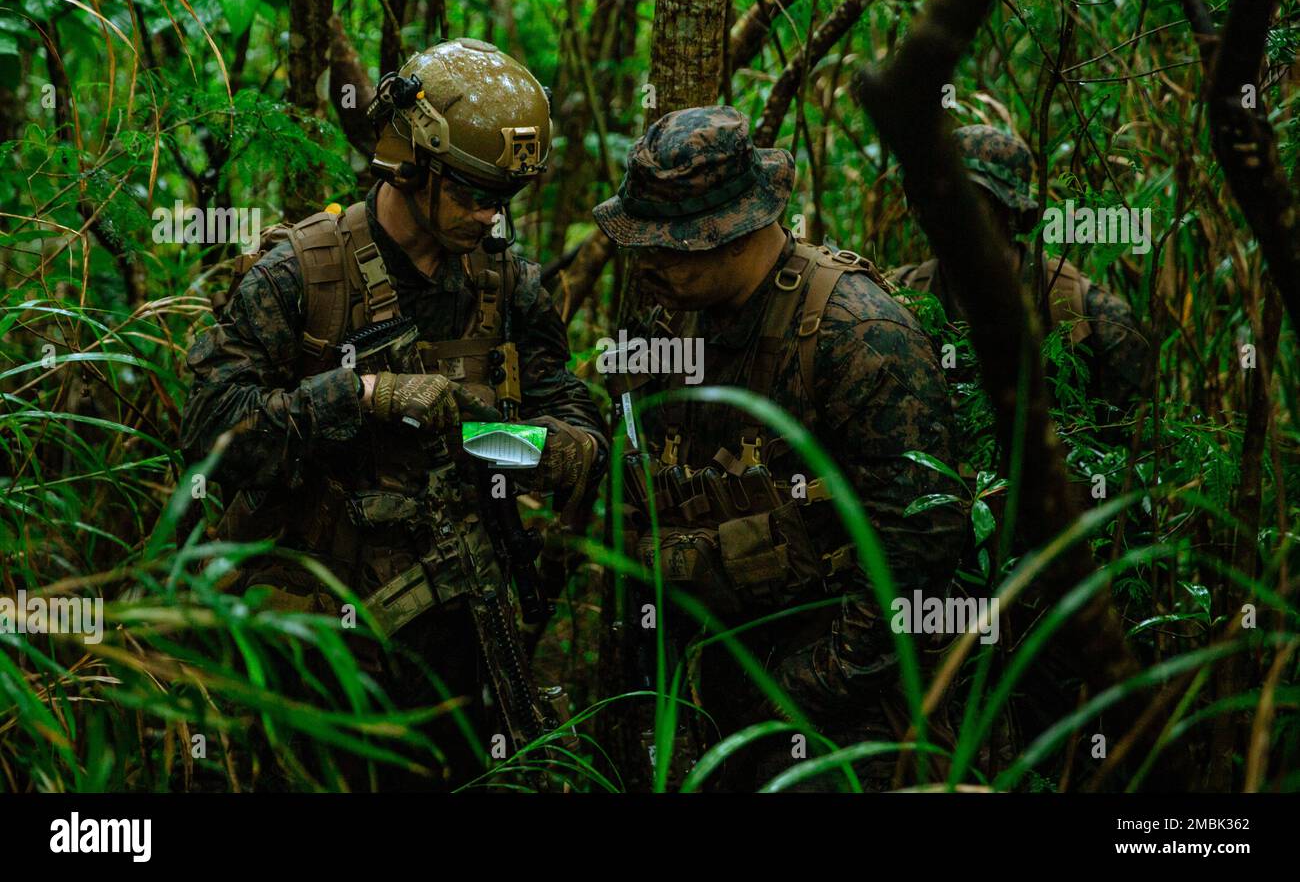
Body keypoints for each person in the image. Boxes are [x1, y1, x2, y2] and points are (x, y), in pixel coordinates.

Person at [180, 38, 608, 787]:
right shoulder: (303, 273)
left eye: (504, 198)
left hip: (452, 630)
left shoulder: (508, 284)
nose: (490, 216)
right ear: (411, 165)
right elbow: (211, 433)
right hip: (308, 632)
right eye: (475, 193)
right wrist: (360, 397)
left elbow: (568, 416)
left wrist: (499, 439)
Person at [592, 105, 966, 790]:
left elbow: (919, 547)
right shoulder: (671, 313)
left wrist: (795, 693)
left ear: (734, 235)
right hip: (708, 675)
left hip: (845, 697)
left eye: (668, 245)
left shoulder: (858, 334)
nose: (644, 262)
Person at [888, 125, 1151, 408]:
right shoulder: (898, 302)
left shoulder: (1095, 319)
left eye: (966, 201)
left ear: (1009, 211)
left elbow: (1136, 443)